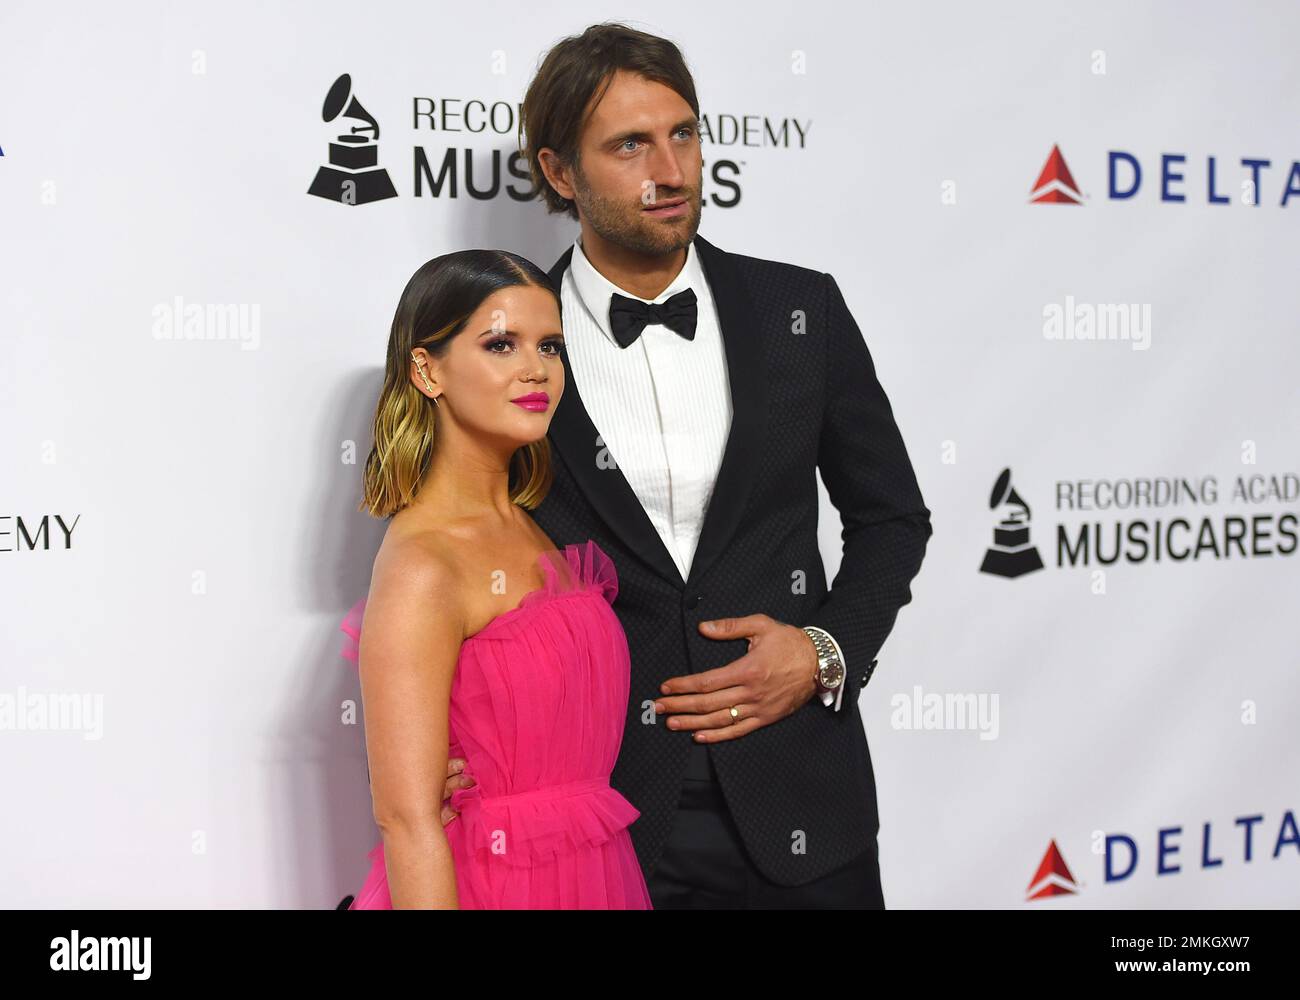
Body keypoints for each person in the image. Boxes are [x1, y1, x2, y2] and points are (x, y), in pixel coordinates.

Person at [433, 23, 933, 908]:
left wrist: (825, 649)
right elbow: (457, 551)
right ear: (559, 173)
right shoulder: (506, 346)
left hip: (804, 800)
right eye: (629, 145)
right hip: (603, 812)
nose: (671, 170)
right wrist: (438, 738)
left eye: (684, 134)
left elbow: (893, 518)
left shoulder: (799, 311)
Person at [340, 249, 651, 909]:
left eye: (550, 346)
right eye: (501, 344)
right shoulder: (424, 563)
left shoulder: (536, 527)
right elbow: (407, 819)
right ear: (427, 369)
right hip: (492, 886)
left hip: (595, 881)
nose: (536, 369)